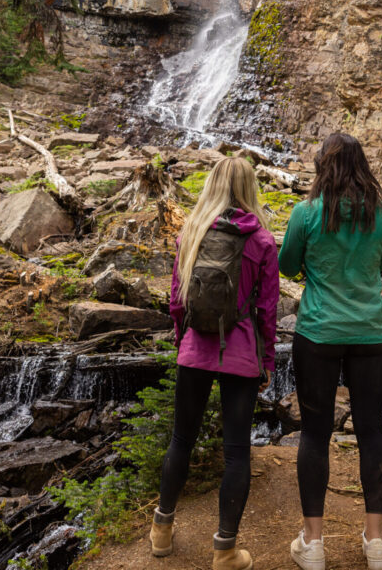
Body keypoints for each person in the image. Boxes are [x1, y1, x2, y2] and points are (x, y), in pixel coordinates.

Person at [150, 156, 279, 570]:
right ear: (249, 187)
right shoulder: (261, 240)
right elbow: (267, 310)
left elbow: (176, 299)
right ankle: (224, 551)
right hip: (240, 356)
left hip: (195, 350)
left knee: (181, 441)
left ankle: (161, 530)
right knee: (237, 453)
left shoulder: (191, 230)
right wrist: (268, 361)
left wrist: (181, 340)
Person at [278, 133, 382, 570]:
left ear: (322, 167)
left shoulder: (306, 213)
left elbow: (287, 265)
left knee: (314, 433)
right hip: (371, 332)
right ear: (362, 165)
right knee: (373, 431)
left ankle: (313, 544)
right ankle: (377, 542)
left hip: (319, 331)